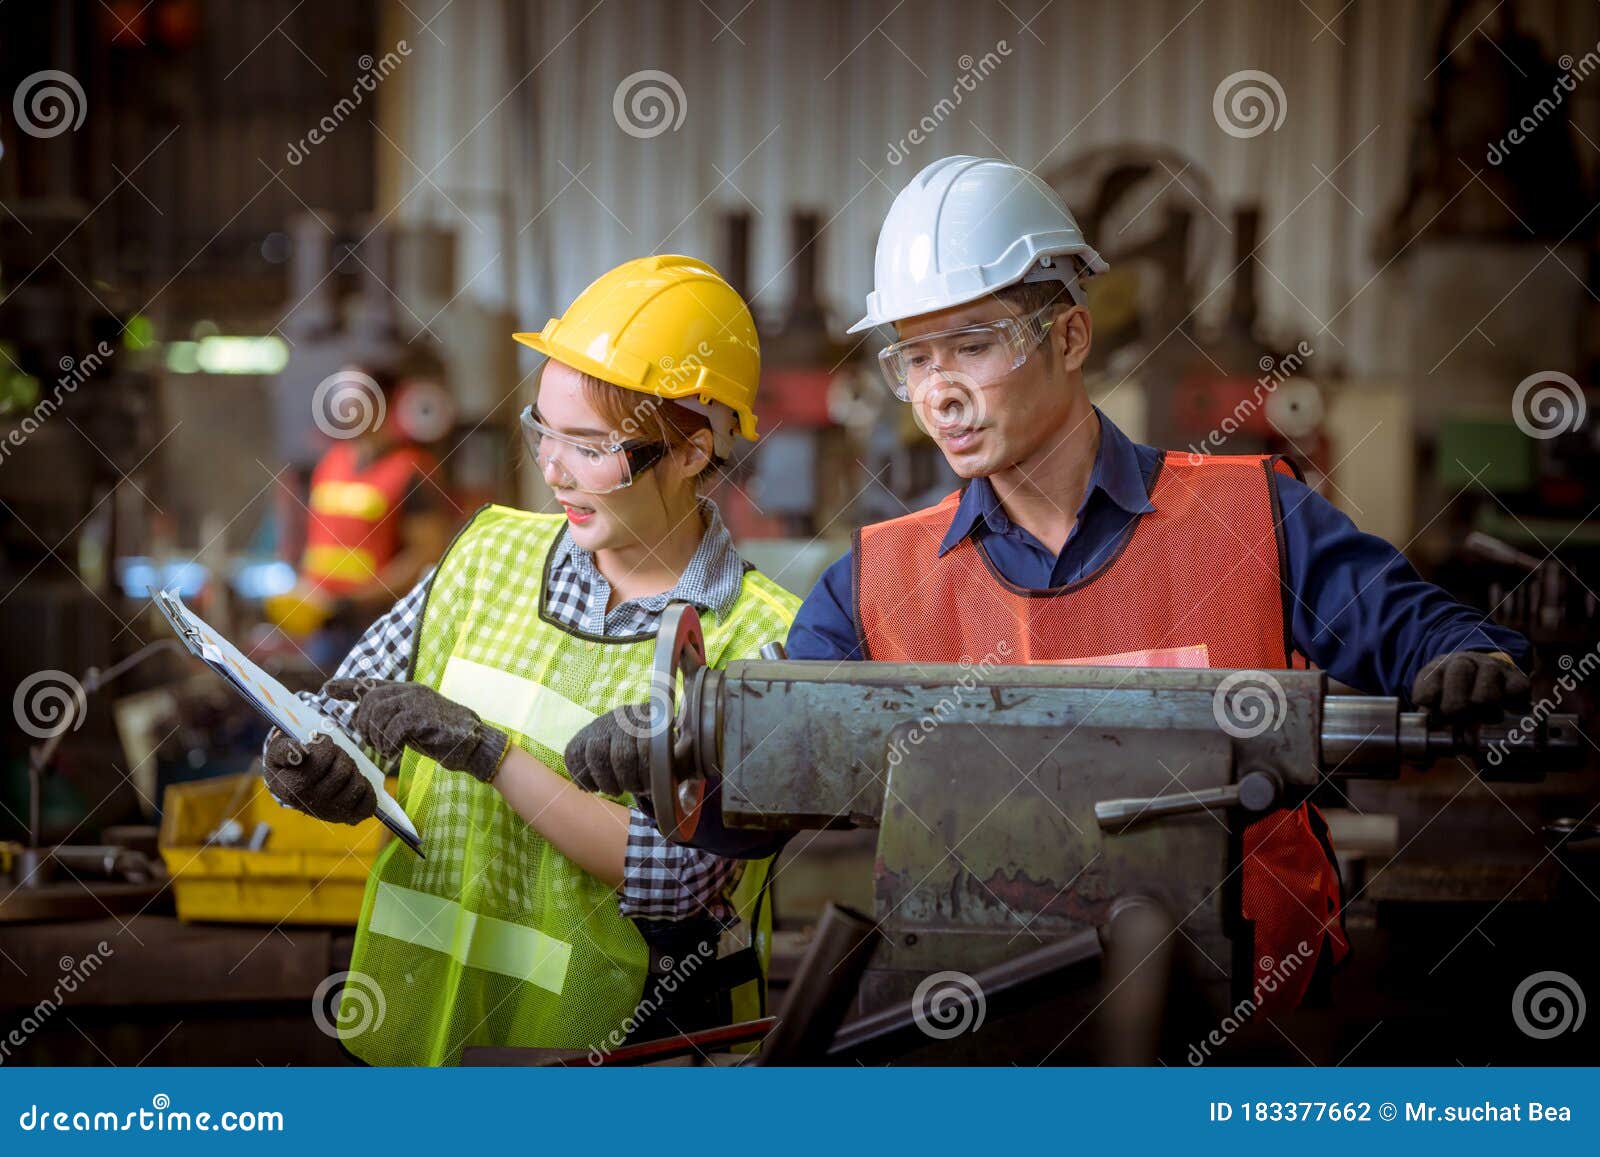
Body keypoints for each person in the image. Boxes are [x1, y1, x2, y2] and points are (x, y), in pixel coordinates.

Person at [561, 157, 1531, 1017]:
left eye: (972, 345)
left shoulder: (1252, 521)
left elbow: (1420, 634)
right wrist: (670, 755)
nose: (938, 389)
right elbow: (764, 782)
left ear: (1068, 340)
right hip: (973, 1040)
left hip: (1253, 1038)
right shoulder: (877, 583)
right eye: (911, 357)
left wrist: (1470, 662)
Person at [260, 256, 799, 1064]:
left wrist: (488, 754)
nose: (551, 469)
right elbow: (347, 698)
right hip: (419, 1032)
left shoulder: (755, 637)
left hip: (624, 1059)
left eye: (588, 446)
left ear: (691, 449)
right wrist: (307, 756)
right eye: (542, 430)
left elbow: (675, 876)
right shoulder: (489, 552)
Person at [271, 363, 452, 669]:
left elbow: (425, 556)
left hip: (379, 630)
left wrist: (352, 602)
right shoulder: (332, 462)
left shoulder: (411, 470)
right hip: (323, 629)